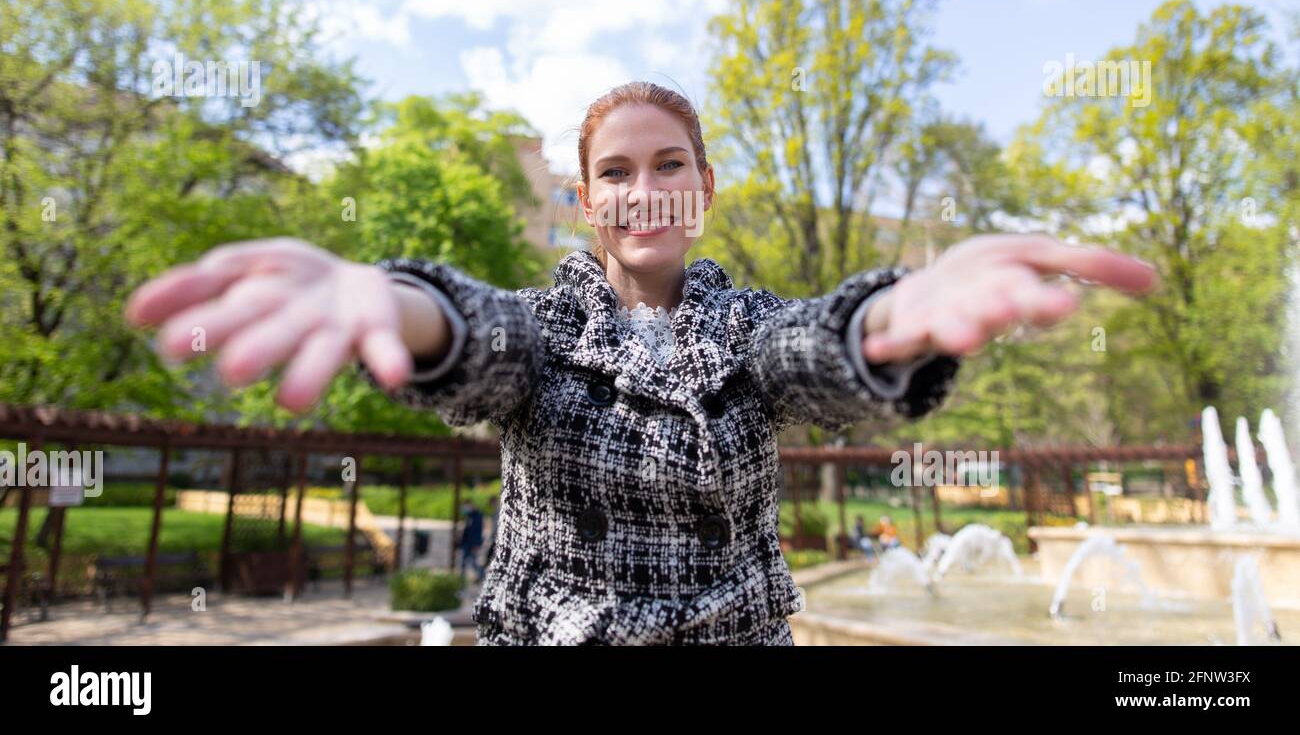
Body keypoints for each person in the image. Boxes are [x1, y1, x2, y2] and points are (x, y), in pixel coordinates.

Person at [123, 80, 1158, 646]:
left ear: (702, 189)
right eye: (614, 171)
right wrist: (398, 300)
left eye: (669, 164)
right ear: (586, 201)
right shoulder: (542, 328)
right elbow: (480, 337)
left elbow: (808, 352)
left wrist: (894, 314)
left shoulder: (748, 325)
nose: (643, 188)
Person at [458, 500, 486, 583]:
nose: (465, 508)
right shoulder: (469, 516)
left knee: (473, 561)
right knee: (464, 561)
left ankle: (481, 575)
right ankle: (461, 577)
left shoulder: (477, 516)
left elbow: (477, 531)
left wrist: (476, 544)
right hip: (466, 543)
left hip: (472, 543)